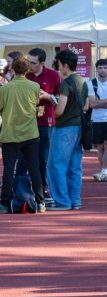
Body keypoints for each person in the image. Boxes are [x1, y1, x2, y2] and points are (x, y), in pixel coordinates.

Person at [0, 56, 45, 212]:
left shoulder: (4, 88)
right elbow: (36, 105)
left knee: (8, 170)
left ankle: (4, 203)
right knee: (34, 168)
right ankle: (40, 202)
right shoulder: (34, 86)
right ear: (27, 70)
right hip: (30, 133)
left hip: (10, 133)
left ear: (13, 69)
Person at [46, 49, 89, 211]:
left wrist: (51, 101)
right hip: (79, 127)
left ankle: (62, 201)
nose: (58, 69)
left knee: (55, 165)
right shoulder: (83, 81)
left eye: (59, 65)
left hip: (64, 128)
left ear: (65, 65)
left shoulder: (66, 84)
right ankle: (75, 200)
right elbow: (86, 105)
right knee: (74, 166)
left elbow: (59, 111)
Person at [26, 48, 60, 202]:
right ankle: (28, 187)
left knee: (43, 156)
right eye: (28, 61)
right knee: (26, 156)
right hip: (28, 121)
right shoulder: (26, 75)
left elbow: (60, 100)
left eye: (33, 62)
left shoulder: (53, 75)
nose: (30, 65)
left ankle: (44, 187)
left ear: (42, 63)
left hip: (46, 121)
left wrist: (48, 96)